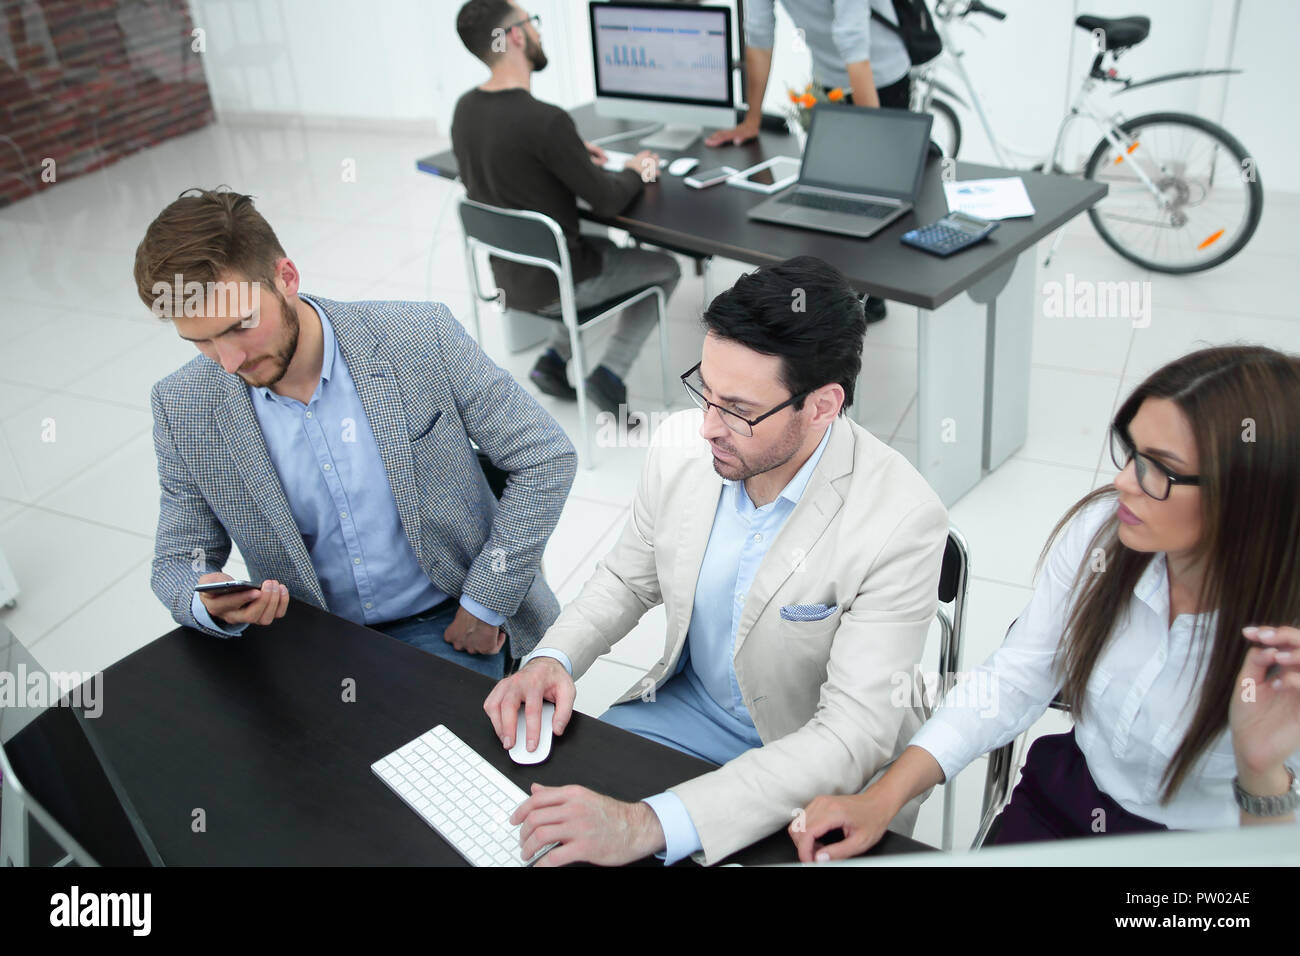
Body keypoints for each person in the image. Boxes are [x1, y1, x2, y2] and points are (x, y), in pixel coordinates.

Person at [482, 256, 949, 866]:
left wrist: (648, 823)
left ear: (822, 406)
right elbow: (627, 578)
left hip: (820, 768)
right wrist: (554, 655)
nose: (707, 427)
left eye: (737, 409)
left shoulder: (901, 518)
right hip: (684, 715)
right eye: (705, 390)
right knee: (542, 842)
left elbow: (850, 735)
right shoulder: (682, 447)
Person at [791, 346, 1300, 861]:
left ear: (1248, 497)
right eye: (1131, 452)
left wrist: (1261, 772)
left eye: (1158, 469)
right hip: (1067, 801)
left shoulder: (1288, 646)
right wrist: (882, 797)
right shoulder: (1104, 536)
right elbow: (1015, 680)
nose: (1123, 482)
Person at [138, 187, 576, 680]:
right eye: (201, 341)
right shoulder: (182, 406)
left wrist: (485, 602)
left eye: (241, 325)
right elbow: (178, 557)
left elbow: (545, 457)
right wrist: (208, 600)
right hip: (312, 643)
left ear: (286, 277)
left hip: (452, 621)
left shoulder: (419, 337)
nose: (229, 360)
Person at [451, 0, 681, 421]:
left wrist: (570, 157)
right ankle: (609, 374)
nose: (538, 33)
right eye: (532, 24)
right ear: (516, 36)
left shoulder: (465, 110)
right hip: (561, 284)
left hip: (511, 278)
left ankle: (553, 361)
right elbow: (609, 199)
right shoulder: (546, 121)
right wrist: (636, 168)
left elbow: (509, 172)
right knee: (666, 267)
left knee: (594, 242)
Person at [706, 0, 912, 324]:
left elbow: (853, 45)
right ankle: (840, 290)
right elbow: (759, 35)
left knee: (873, 186)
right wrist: (752, 119)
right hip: (830, 76)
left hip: (879, 75)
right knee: (830, 186)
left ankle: (873, 296)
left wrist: (873, 138)